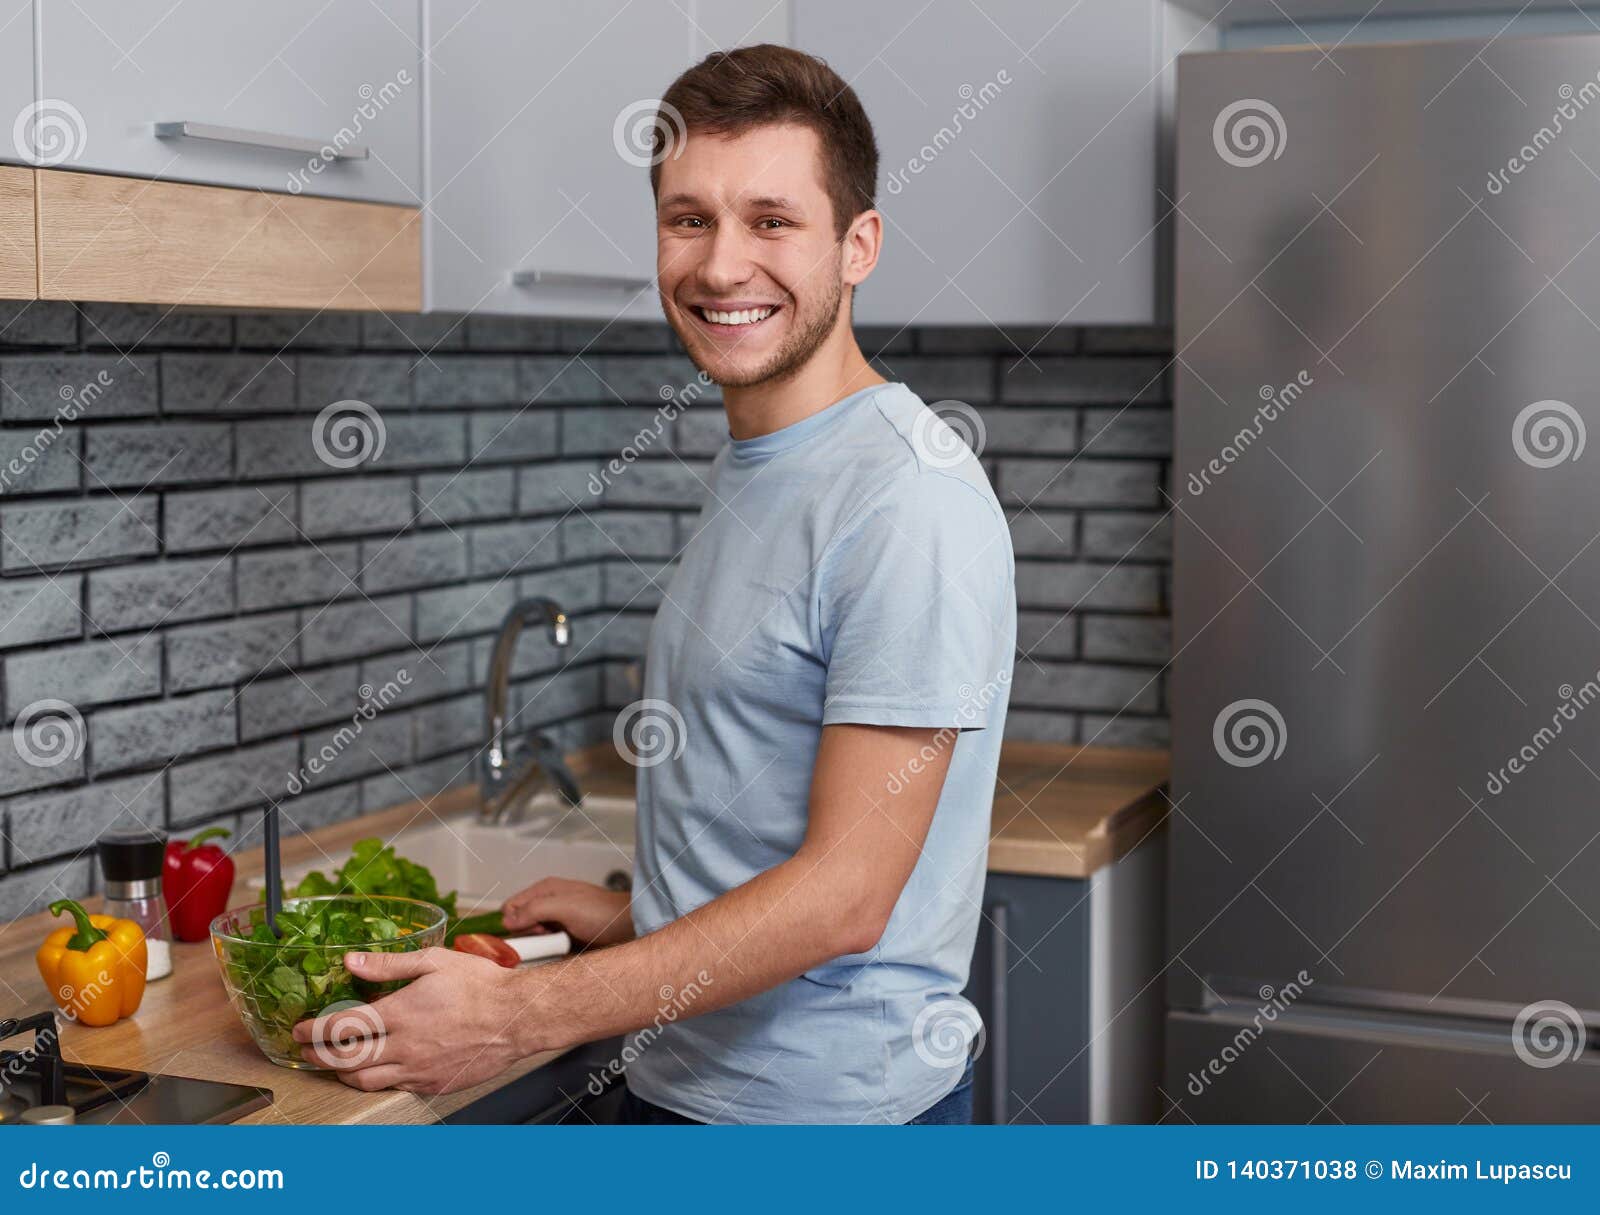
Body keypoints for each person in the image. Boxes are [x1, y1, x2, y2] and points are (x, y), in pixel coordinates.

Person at [296, 42, 1016, 1125]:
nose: (722, 266)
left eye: (771, 221)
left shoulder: (906, 503)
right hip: (691, 1089)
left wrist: (517, 1017)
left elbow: (845, 898)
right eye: (690, 219)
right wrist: (641, 915)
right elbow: (765, 796)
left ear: (856, 244)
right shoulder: (765, 463)